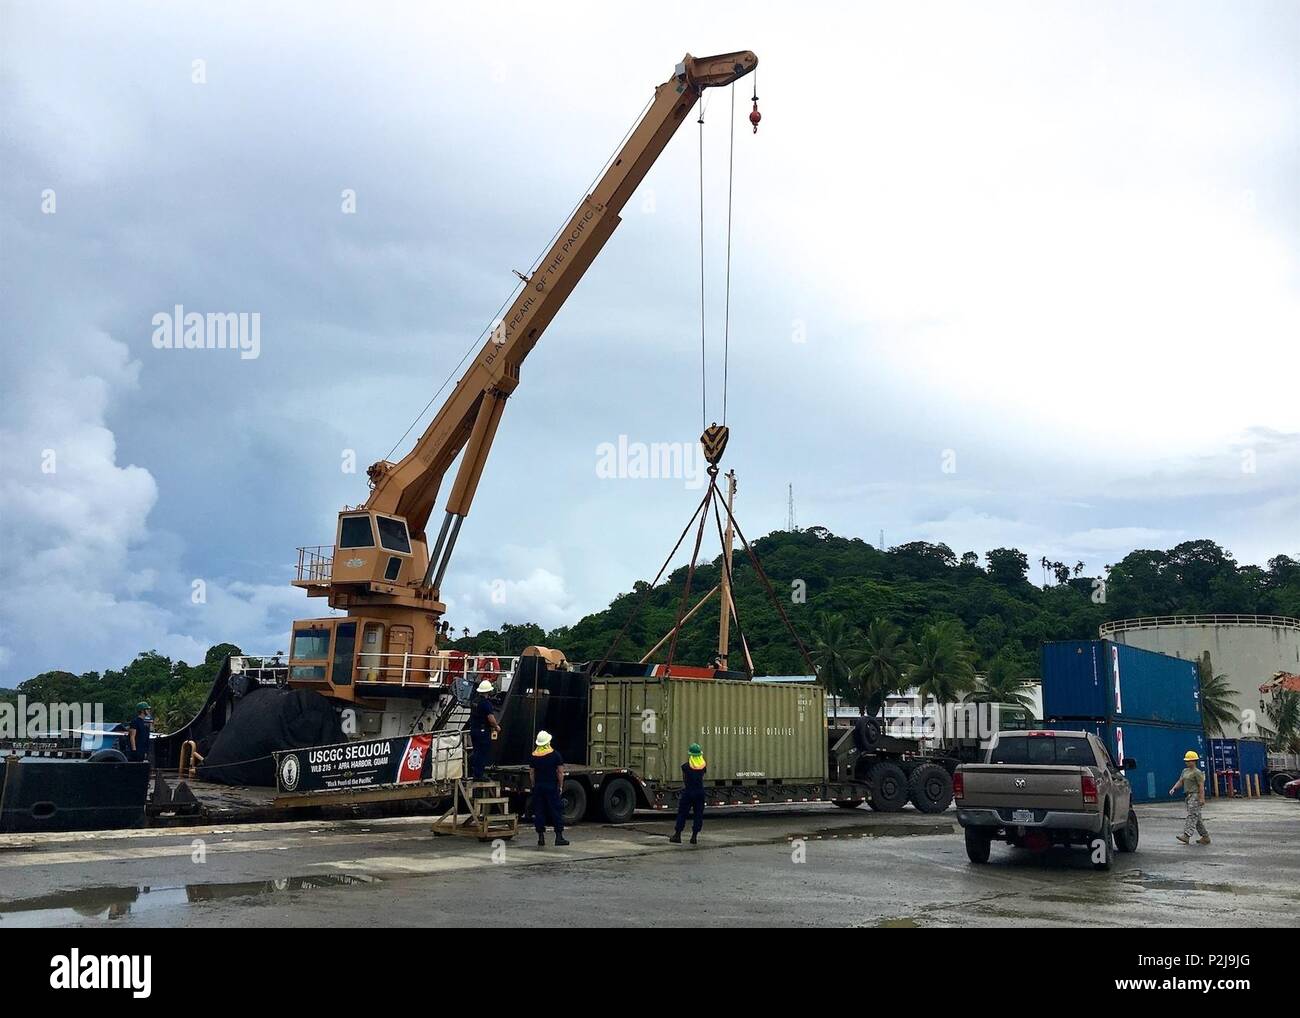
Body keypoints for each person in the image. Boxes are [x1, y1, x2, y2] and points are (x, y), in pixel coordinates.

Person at [529, 731, 569, 847]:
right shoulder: (555, 755)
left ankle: (541, 838)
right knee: (556, 810)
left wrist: (534, 785)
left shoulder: (534, 756)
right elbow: (560, 772)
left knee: (539, 811)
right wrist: (560, 786)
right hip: (551, 786)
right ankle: (559, 837)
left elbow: (531, 773)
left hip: (539, 787)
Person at [669, 742, 707, 844]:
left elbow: (685, 780)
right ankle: (694, 837)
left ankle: (678, 835)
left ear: (690, 754)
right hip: (700, 792)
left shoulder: (685, 767)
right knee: (698, 814)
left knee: (682, 813)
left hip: (689, 792)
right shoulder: (703, 766)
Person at [1170, 749, 1210, 845]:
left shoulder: (1197, 772)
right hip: (1188, 796)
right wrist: (1174, 788)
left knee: (1192, 816)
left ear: (1194, 761)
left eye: (1188, 760)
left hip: (1195, 795)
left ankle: (1186, 835)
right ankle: (1205, 837)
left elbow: (1201, 786)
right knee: (1197, 818)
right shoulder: (1185, 771)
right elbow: (1181, 781)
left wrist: (1202, 798)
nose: (1186, 762)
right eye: (1186, 761)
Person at [468, 680, 500, 781]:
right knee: (482, 752)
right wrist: (496, 727)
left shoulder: (474, 701)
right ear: (488, 691)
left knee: (476, 751)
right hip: (482, 731)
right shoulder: (486, 704)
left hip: (474, 730)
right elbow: (491, 718)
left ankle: (473, 771)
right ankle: (479, 774)